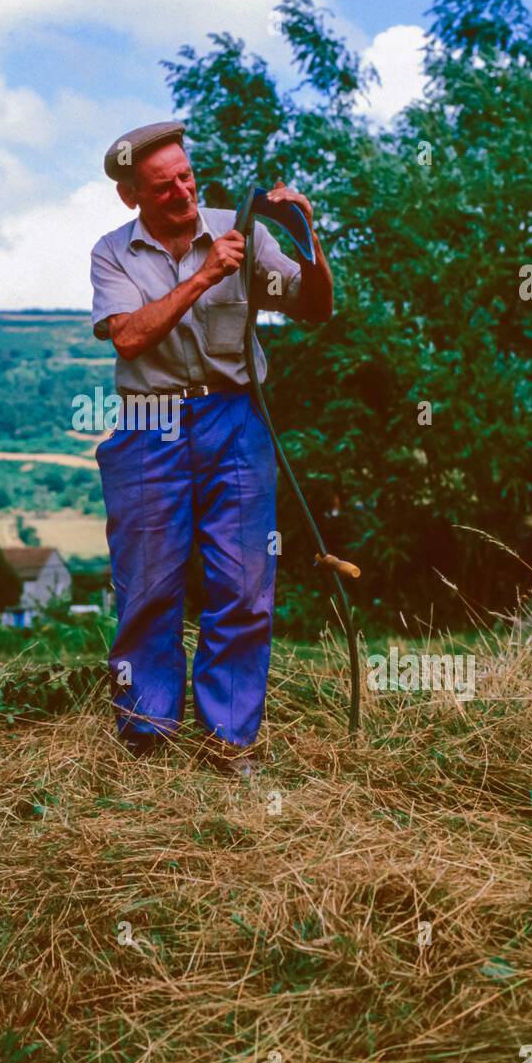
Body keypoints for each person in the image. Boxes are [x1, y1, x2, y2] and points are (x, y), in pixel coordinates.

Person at [90, 121, 334, 775]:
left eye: (186, 177)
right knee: (147, 585)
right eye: (162, 186)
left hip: (234, 415)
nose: (181, 192)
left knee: (244, 582)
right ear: (130, 196)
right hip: (148, 422)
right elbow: (129, 337)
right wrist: (203, 276)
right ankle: (146, 733)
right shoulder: (111, 253)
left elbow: (313, 308)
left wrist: (306, 236)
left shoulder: (242, 231)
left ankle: (229, 738)